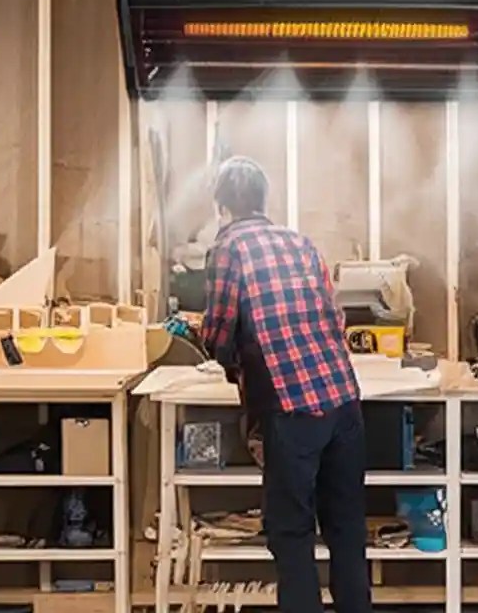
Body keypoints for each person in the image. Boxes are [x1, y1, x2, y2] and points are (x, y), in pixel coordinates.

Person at [200, 155, 371, 613]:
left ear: (222, 205)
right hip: (344, 402)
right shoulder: (301, 243)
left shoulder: (228, 248)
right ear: (263, 200)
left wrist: (221, 355)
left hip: (291, 411)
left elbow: (217, 331)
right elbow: (333, 320)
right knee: (346, 530)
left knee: (291, 533)